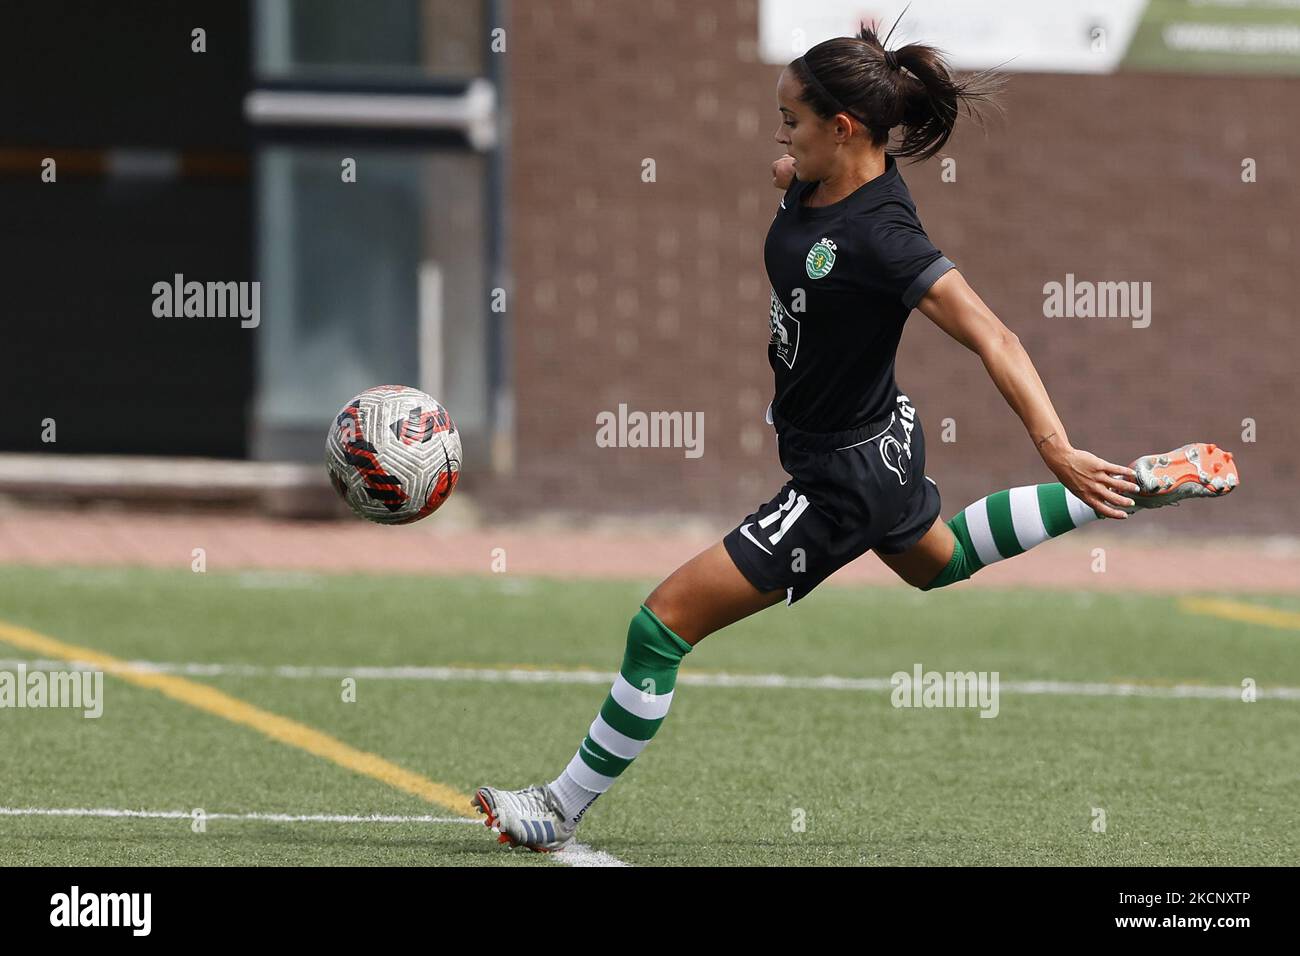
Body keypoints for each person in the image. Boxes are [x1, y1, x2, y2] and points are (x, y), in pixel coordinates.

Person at [472, 24, 1239, 852]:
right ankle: (1136, 483)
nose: (779, 135)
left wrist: (1054, 445)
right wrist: (788, 177)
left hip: (843, 479)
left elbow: (996, 337)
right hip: (878, 441)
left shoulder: (885, 237)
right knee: (939, 562)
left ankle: (558, 806)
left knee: (659, 627)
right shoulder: (819, 179)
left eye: (792, 120)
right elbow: (797, 200)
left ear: (844, 128)